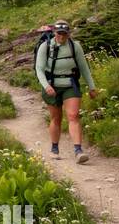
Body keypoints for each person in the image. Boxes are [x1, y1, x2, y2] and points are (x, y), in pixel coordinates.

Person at [34, 19, 97, 163]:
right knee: (56, 118)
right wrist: (46, 86)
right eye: (59, 33)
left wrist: (91, 87)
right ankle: (55, 148)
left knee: (73, 115)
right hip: (51, 85)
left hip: (70, 84)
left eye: (64, 34)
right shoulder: (45, 46)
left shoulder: (75, 47)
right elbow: (39, 69)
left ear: (68, 34)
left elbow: (84, 68)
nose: (61, 37)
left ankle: (78, 151)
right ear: (54, 33)